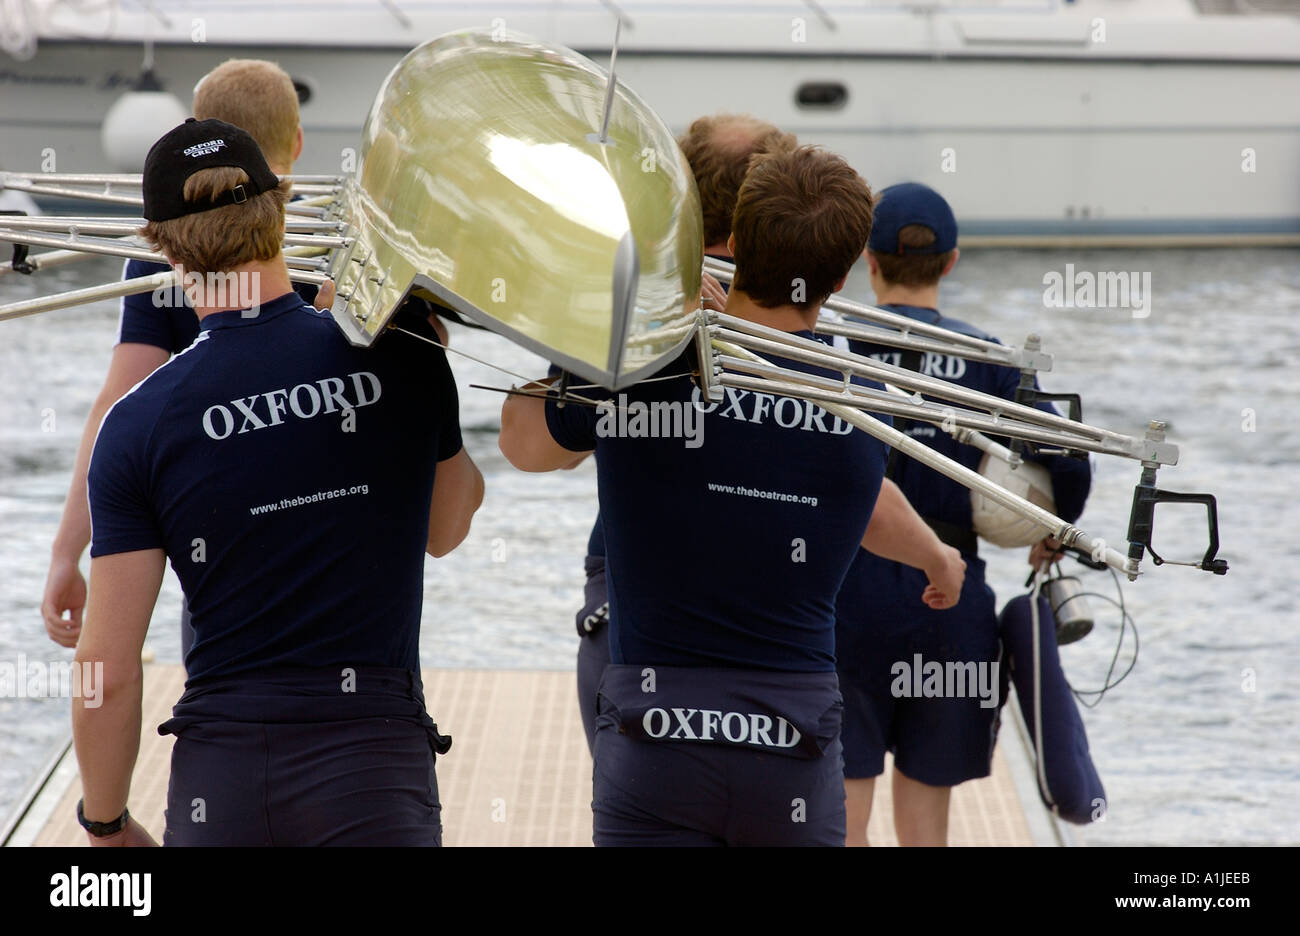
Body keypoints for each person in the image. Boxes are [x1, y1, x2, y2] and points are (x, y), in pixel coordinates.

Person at [500, 146, 967, 846]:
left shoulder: (642, 365)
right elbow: (871, 511)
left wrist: (625, 329)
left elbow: (520, 443)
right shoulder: (860, 405)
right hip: (793, 744)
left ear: (735, 243)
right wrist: (939, 559)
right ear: (840, 279)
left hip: (655, 731)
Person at [71, 118, 483, 846]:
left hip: (227, 778)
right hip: (373, 766)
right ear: (281, 210)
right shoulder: (401, 350)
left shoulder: (138, 425)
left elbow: (104, 667)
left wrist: (103, 823)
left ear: (160, 246)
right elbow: (446, 532)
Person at [833, 182, 1093, 846]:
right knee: (928, 828)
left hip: (844, 595)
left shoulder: (831, 344)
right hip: (947, 607)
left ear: (869, 258)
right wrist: (1053, 533)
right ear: (950, 262)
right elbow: (1069, 453)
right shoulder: (992, 360)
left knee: (842, 814)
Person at [42, 58, 317, 659]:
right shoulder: (343, 244)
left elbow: (117, 405)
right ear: (296, 140)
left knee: (217, 665)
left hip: (221, 533)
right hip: (343, 527)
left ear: (197, 134)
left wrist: (69, 551)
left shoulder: (167, 249)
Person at [571, 113, 799, 754]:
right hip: (762, 627)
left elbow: (524, 446)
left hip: (625, 608)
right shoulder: (807, 324)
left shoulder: (622, 307)